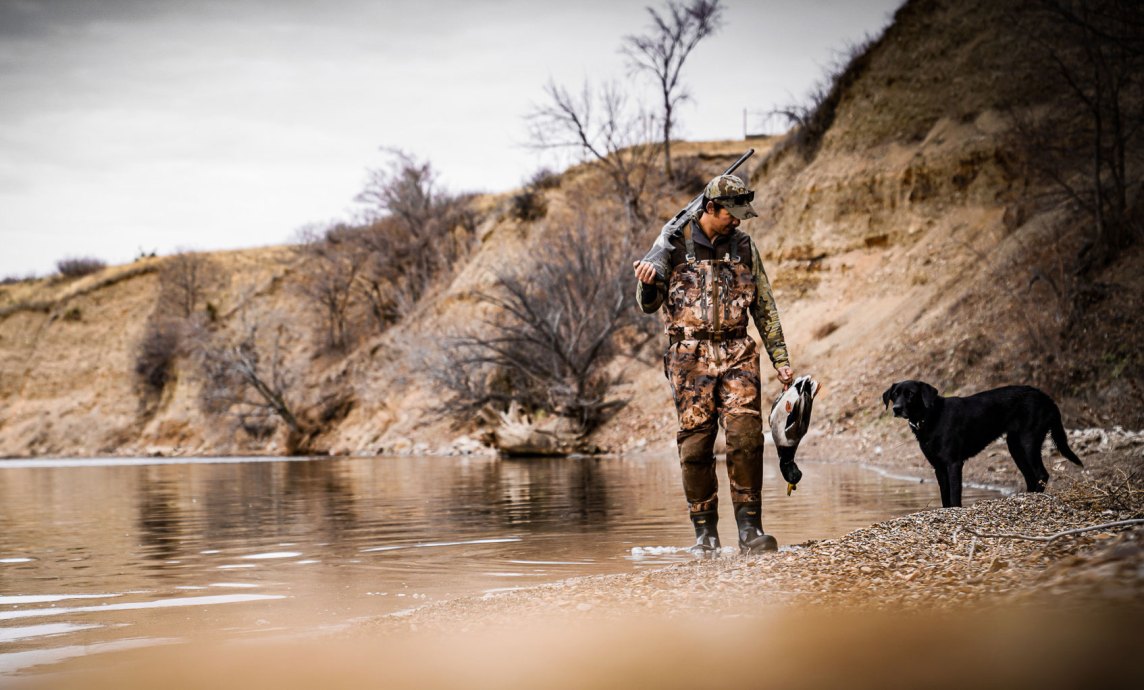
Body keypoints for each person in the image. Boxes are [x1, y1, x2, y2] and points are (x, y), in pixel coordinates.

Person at [633, 173, 794, 556]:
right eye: (731, 214)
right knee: (695, 447)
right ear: (710, 209)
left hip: (738, 352)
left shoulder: (743, 246)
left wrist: (781, 360)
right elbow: (648, 305)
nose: (737, 221)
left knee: (746, 438)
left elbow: (765, 307)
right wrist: (647, 282)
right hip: (689, 360)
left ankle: (751, 531)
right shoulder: (672, 245)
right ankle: (705, 535)